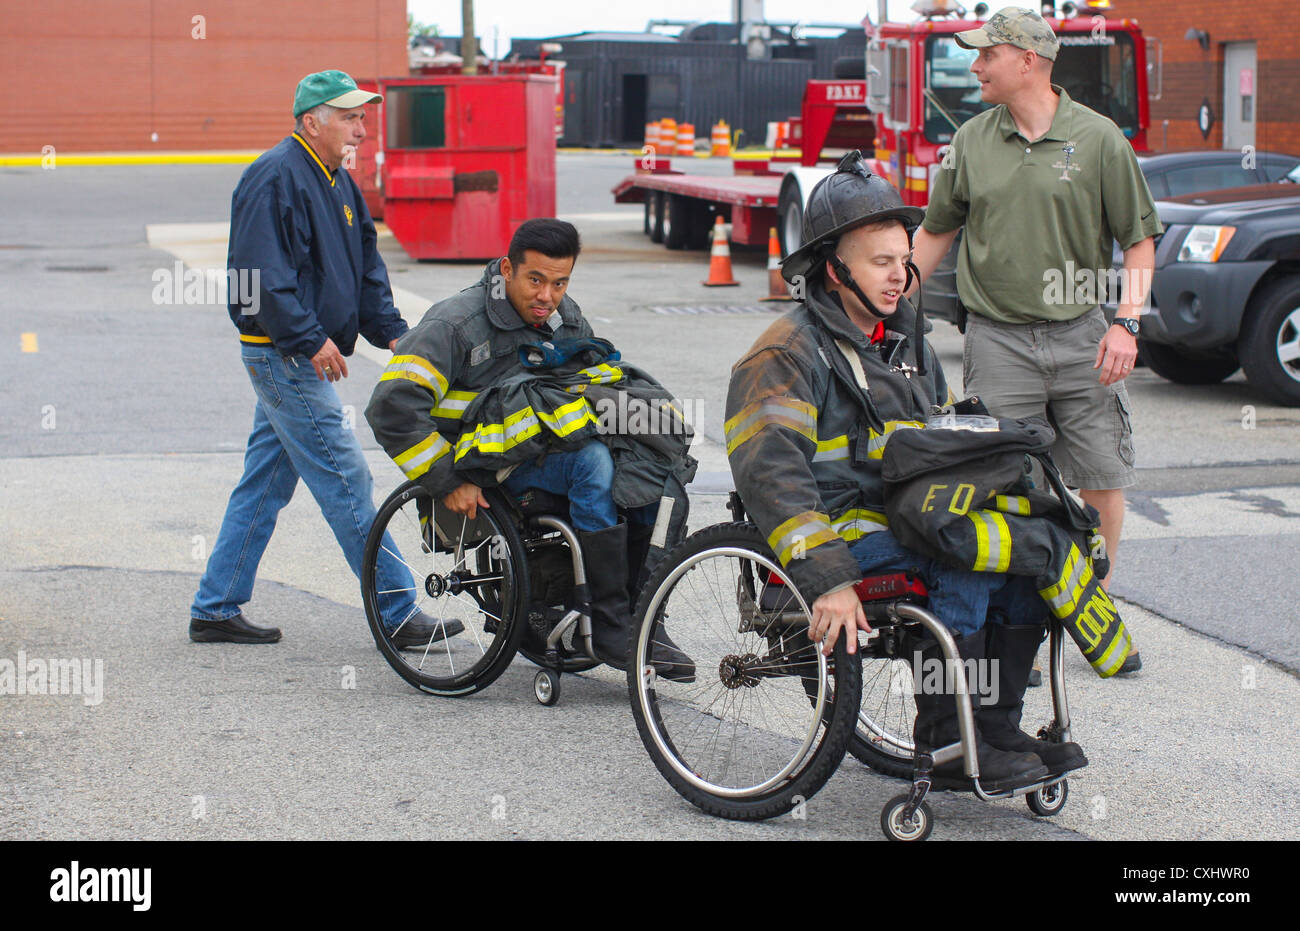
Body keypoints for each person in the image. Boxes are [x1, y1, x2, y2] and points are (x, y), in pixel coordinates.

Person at [725, 152, 1086, 791]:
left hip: (909, 518)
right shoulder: (785, 353)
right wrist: (828, 577)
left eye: (904, 260)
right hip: (836, 536)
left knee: (1029, 554)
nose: (900, 277)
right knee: (964, 556)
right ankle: (949, 738)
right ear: (834, 269)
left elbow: (942, 443)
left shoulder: (907, 342)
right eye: (881, 263)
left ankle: (995, 728)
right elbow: (769, 476)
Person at [910, 7, 1162, 674]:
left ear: (1026, 61)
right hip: (996, 339)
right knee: (994, 481)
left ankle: (1095, 609)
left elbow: (1139, 240)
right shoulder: (970, 141)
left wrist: (1126, 321)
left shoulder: (1100, 140)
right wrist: (884, 303)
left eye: (985, 55)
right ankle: (1007, 611)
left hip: (1083, 335)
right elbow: (936, 231)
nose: (975, 67)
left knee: (1101, 477)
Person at [190, 70, 463, 650]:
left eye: (363, 118)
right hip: (284, 357)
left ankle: (215, 607)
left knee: (264, 484)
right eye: (349, 117)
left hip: (300, 354)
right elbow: (256, 278)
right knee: (346, 475)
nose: (361, 129)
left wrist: (392, 331)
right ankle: (395, 609)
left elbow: (366, 266)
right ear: (311, 121)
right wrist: (310, 337)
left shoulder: (338, 180)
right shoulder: (272, 178)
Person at [365, 218, 693, 679]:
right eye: (535, 280)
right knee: (592, 463)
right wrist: (448, 481)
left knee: (652, 470)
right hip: (483, 464)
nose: (546, 297)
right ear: (507, 270)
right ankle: (609, 620)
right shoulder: (454, 324)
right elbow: (390, 409)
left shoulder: (565, 317)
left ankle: (644, 617)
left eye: (560, 283)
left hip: (545, 450)